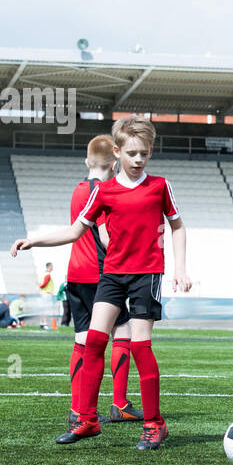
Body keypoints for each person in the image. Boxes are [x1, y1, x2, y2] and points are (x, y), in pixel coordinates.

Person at [11, 115, 191, 450]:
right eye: (132, 153)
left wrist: (180, 268)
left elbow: (178, 226)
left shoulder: (160, 186)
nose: (138, 160)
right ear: (118, 153)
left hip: (146, 274)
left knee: (139, 346)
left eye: (144, 154)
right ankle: (88, 421)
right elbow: (75, 231)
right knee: (94, 341)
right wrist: (34, 239)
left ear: (150, 152)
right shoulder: (104, 191)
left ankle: (154, 423)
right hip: (111, 274)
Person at [61, 135, 142, 429]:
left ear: (87, 161)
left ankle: (76, 409)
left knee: (82, 338)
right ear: (115, 162)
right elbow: (106, 236)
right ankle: (119, 403)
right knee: (123, 330)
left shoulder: (78, 188)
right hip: (100, 273)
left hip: (75, 273)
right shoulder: (104, 191)